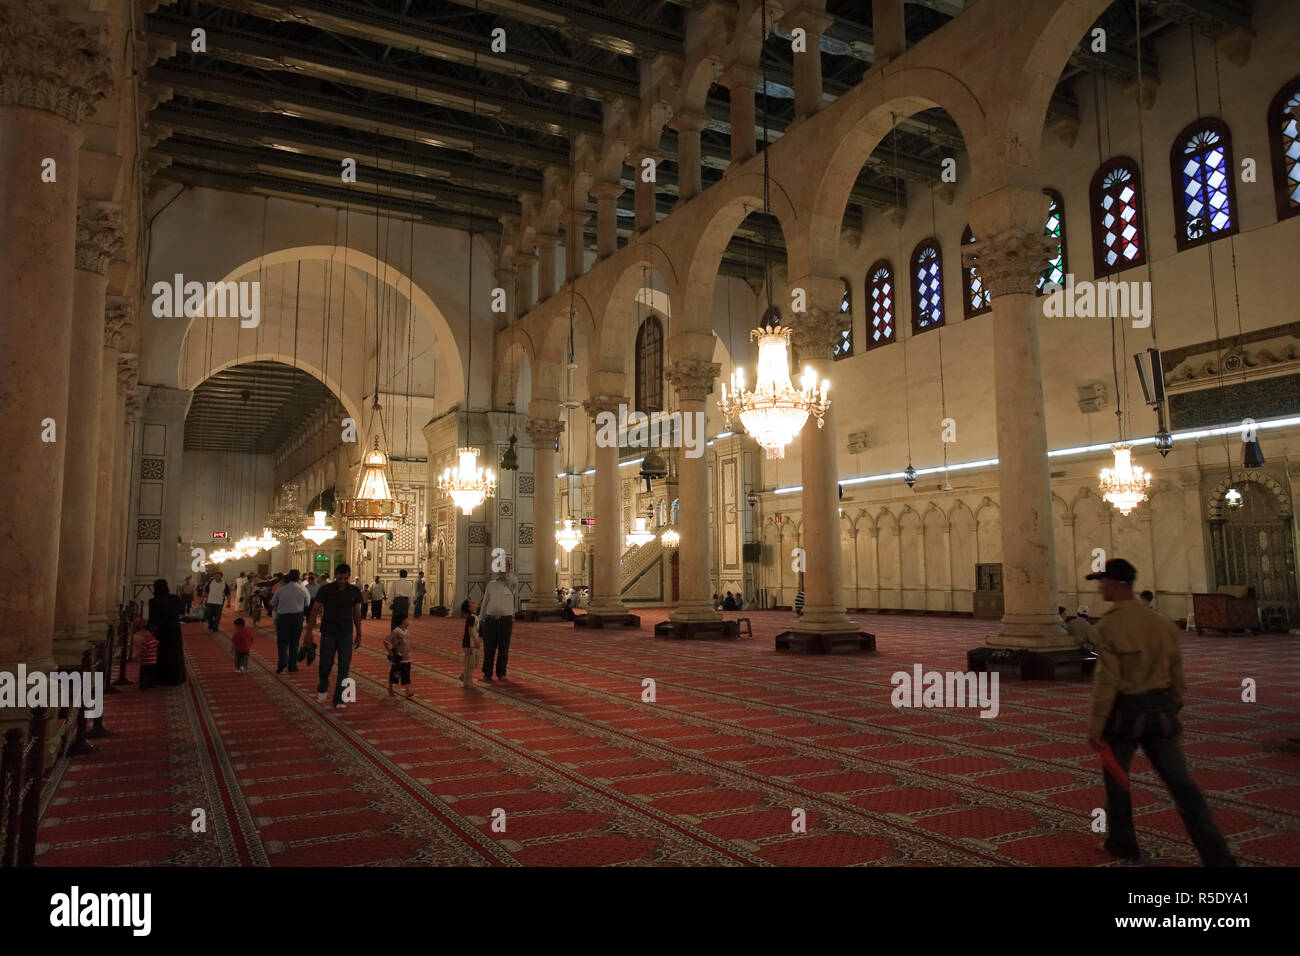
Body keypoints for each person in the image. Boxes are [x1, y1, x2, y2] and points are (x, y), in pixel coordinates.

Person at [1085, 558, 1236, 867]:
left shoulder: (1109, 626)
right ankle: (1217, 856)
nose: (1099, 586)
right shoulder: (1161, 623)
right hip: (1162, 711)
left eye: (1102, 581)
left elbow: (1107, 680)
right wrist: (1173, 705)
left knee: (1118, 780)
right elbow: (1176, 672)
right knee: (1182, 785)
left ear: (1116, 584)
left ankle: (1122, 842)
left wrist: (1096, 724)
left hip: (1124, 714)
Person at [304, 563, 363, 710]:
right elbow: (315, 610)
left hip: (346, 634)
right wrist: (308, 632)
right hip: (328, 633)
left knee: (344, 668)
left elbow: (356, 613)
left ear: (348, 577)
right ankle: (323, 684)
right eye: (340, 578)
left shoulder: (354, 591)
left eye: (345, 578)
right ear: (335, 576)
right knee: (325, 664)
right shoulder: (326, 590)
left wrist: (359, 633)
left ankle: (339, 698)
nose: (342, 581)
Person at [479, 561, 518, 682]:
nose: (502, 569)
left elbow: (514, 581)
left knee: (503, 649)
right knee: (489, 648)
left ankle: (501, 673)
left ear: (509, 569)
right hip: (490, 620)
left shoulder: (511, 584)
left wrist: (507, 573)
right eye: (500, 566)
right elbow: (485, 602)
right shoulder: (491, 585)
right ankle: (487, 673)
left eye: (505, 566)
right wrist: (480, 619)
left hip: (506, 621)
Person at [270, 568, 311, 674]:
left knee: (282, 642)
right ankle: (292, 665)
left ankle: (282, 661)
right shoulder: (302, 589)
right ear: (298, 577)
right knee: (294, 642)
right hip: (297, 617)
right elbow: (307, 603)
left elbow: (273, 603)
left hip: (283, 618)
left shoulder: (281, 589)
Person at [148, 578, 186, 685]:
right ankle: (175, 677)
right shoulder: (175, 598)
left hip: (160, 631)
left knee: (162, 653)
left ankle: (162, 677)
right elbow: (182, 610)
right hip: (174, 630)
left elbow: (152, 619)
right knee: (174, 653)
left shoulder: (153, 601)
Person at [383, 612, 413, 699]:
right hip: (399, 658)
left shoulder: (407, 632)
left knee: (407, 675)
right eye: (407, 619)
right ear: (402, 621)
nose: (409, 621)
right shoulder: (396, 632)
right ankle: (390, 689)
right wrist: (390, 652)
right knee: (395, 674)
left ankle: (407, 691)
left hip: (407, 658)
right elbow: (386, 641)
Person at [460, 598, 482, 689]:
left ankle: (464, 676)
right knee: (470, 664)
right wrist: (476, 641)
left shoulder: (475, 616)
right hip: (469, 644)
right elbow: (470, 630)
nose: (475, 602)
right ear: (470, 608)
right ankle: (467, 684)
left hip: (473, 644)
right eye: (472, 602)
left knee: (476, 663)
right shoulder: (471, 617)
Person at [133, 617, 158, 690]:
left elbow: (143, 650)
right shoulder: (154, 640)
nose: (144, 633)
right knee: (151, 674)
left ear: (151, 632)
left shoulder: (146, 641)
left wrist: (136, 656)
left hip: (146, 661)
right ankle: (151, 684)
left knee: (144, 674)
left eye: (146, 632)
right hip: (153, 661)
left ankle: (144, 685)